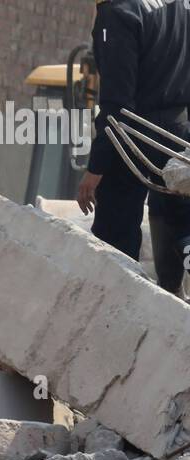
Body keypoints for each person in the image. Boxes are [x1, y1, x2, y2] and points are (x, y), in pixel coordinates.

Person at [77, 0, 190, 294]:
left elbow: (116, 105)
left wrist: (96, 168)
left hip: (132, 137)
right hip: (178, 135)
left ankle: (114, 299)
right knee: (178, 219)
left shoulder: (118, 12)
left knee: (114, 239)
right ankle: (173, 296)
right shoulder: (178, 6)